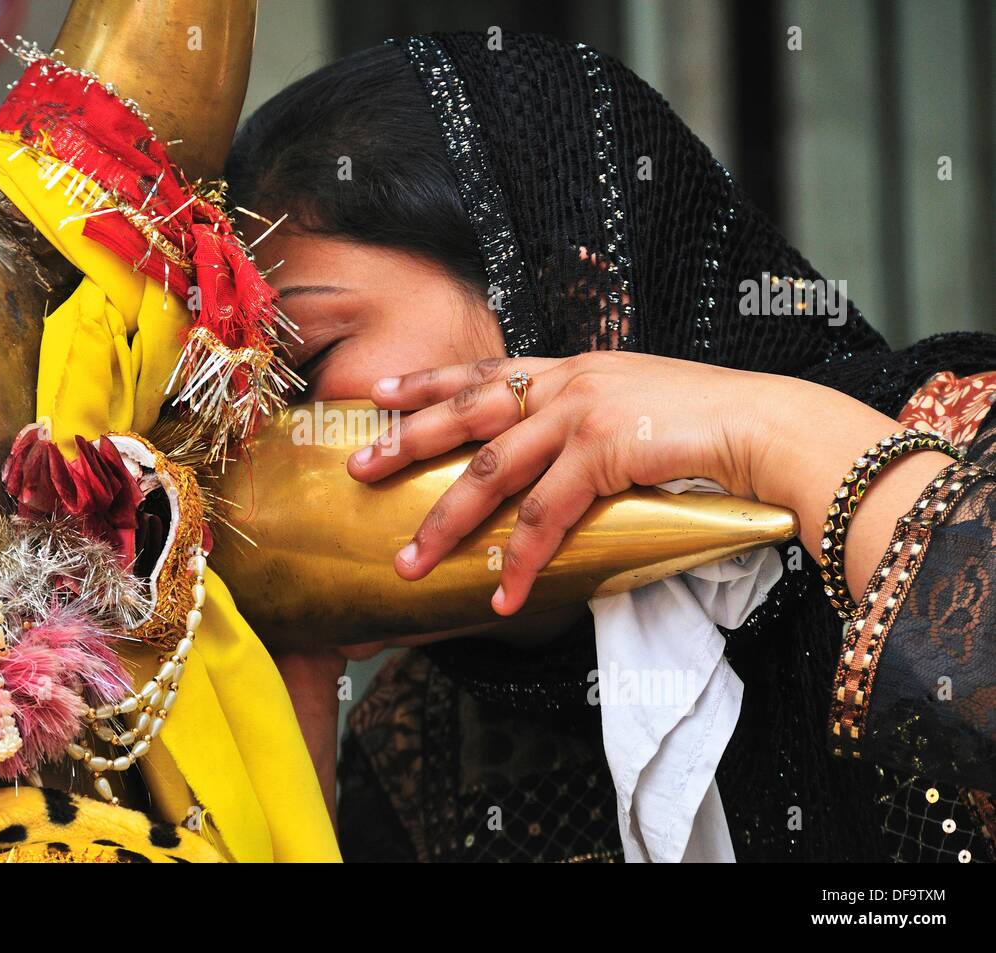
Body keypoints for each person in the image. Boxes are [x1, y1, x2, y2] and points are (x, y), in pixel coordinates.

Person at [225, 32, 996, 862]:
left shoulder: (959, 442)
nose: (269, 449)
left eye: (306, 368)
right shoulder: (416, 746)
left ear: (584, 301)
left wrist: (762, 432)